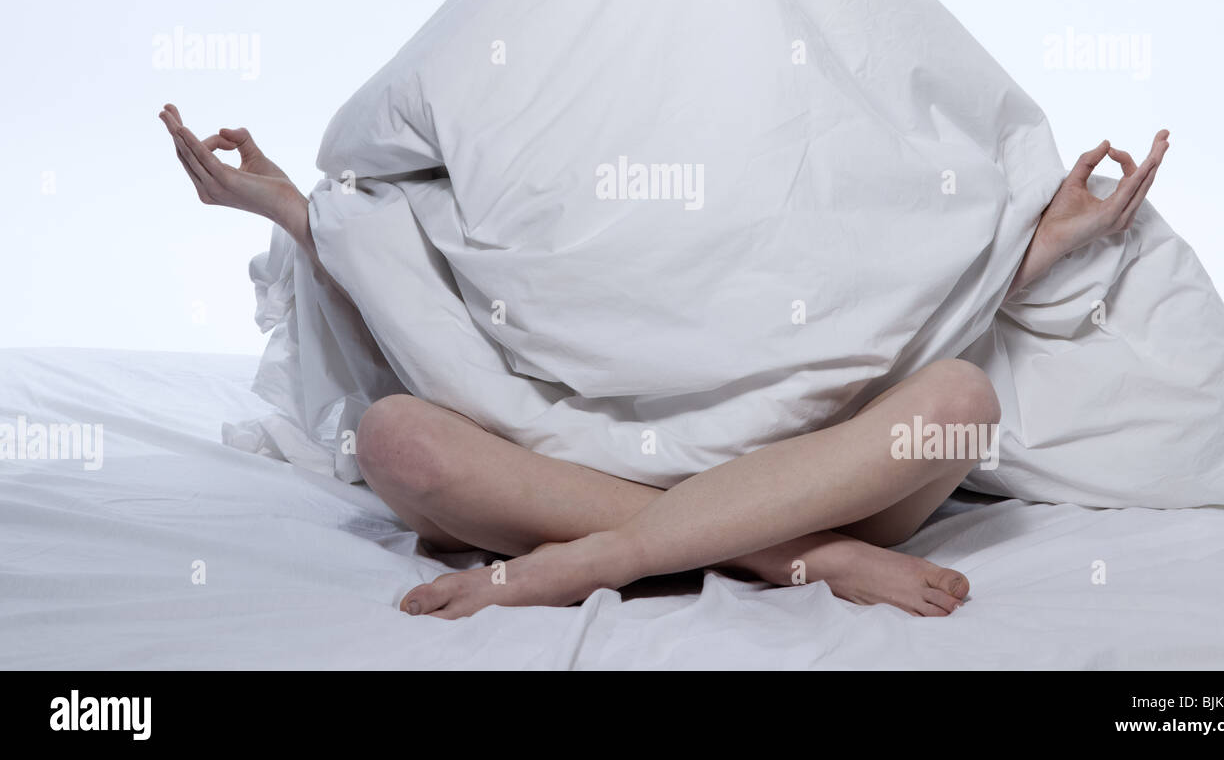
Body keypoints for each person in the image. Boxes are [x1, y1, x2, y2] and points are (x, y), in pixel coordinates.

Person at [159, 103, 1168, 618]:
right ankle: (789, 556)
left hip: (807, 470)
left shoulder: (786, 121)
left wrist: (1037, 247)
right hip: (585, 473)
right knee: (394, 436)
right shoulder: (531, 125)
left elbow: (895, 291)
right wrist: (296, 210)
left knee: (958, 395)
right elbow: (426, 310)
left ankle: (612, 553)